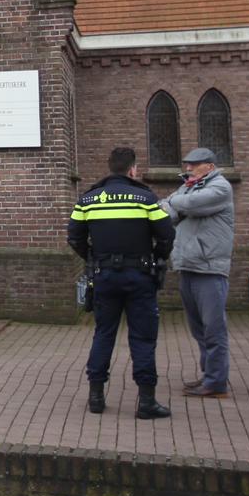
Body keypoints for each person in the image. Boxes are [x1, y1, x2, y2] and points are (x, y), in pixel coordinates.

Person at [68, 146, 176, 420]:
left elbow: (74, 237)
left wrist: (93, 258)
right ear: (132, 170)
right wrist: (157, 257)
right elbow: (167, 234)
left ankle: (95, 397)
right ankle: (147, 402)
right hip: (140, 277)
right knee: (142, 337)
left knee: (103, 333)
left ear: (110, 167)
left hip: (104, 277)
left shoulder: (87, 200)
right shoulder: (146, 198)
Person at [164, 146, 236, 398]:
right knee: (198, 329)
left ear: (210, 167)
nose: (188, 168)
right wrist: (178, 203)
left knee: (213, 328)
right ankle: (210, 375)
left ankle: (216, 384)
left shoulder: (220, 188)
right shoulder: (188, 187)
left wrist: (177, 203)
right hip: (187, 265)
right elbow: (166, 210)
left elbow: (191, 204)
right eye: (187, 164)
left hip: (209, 268)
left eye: (194, 164)